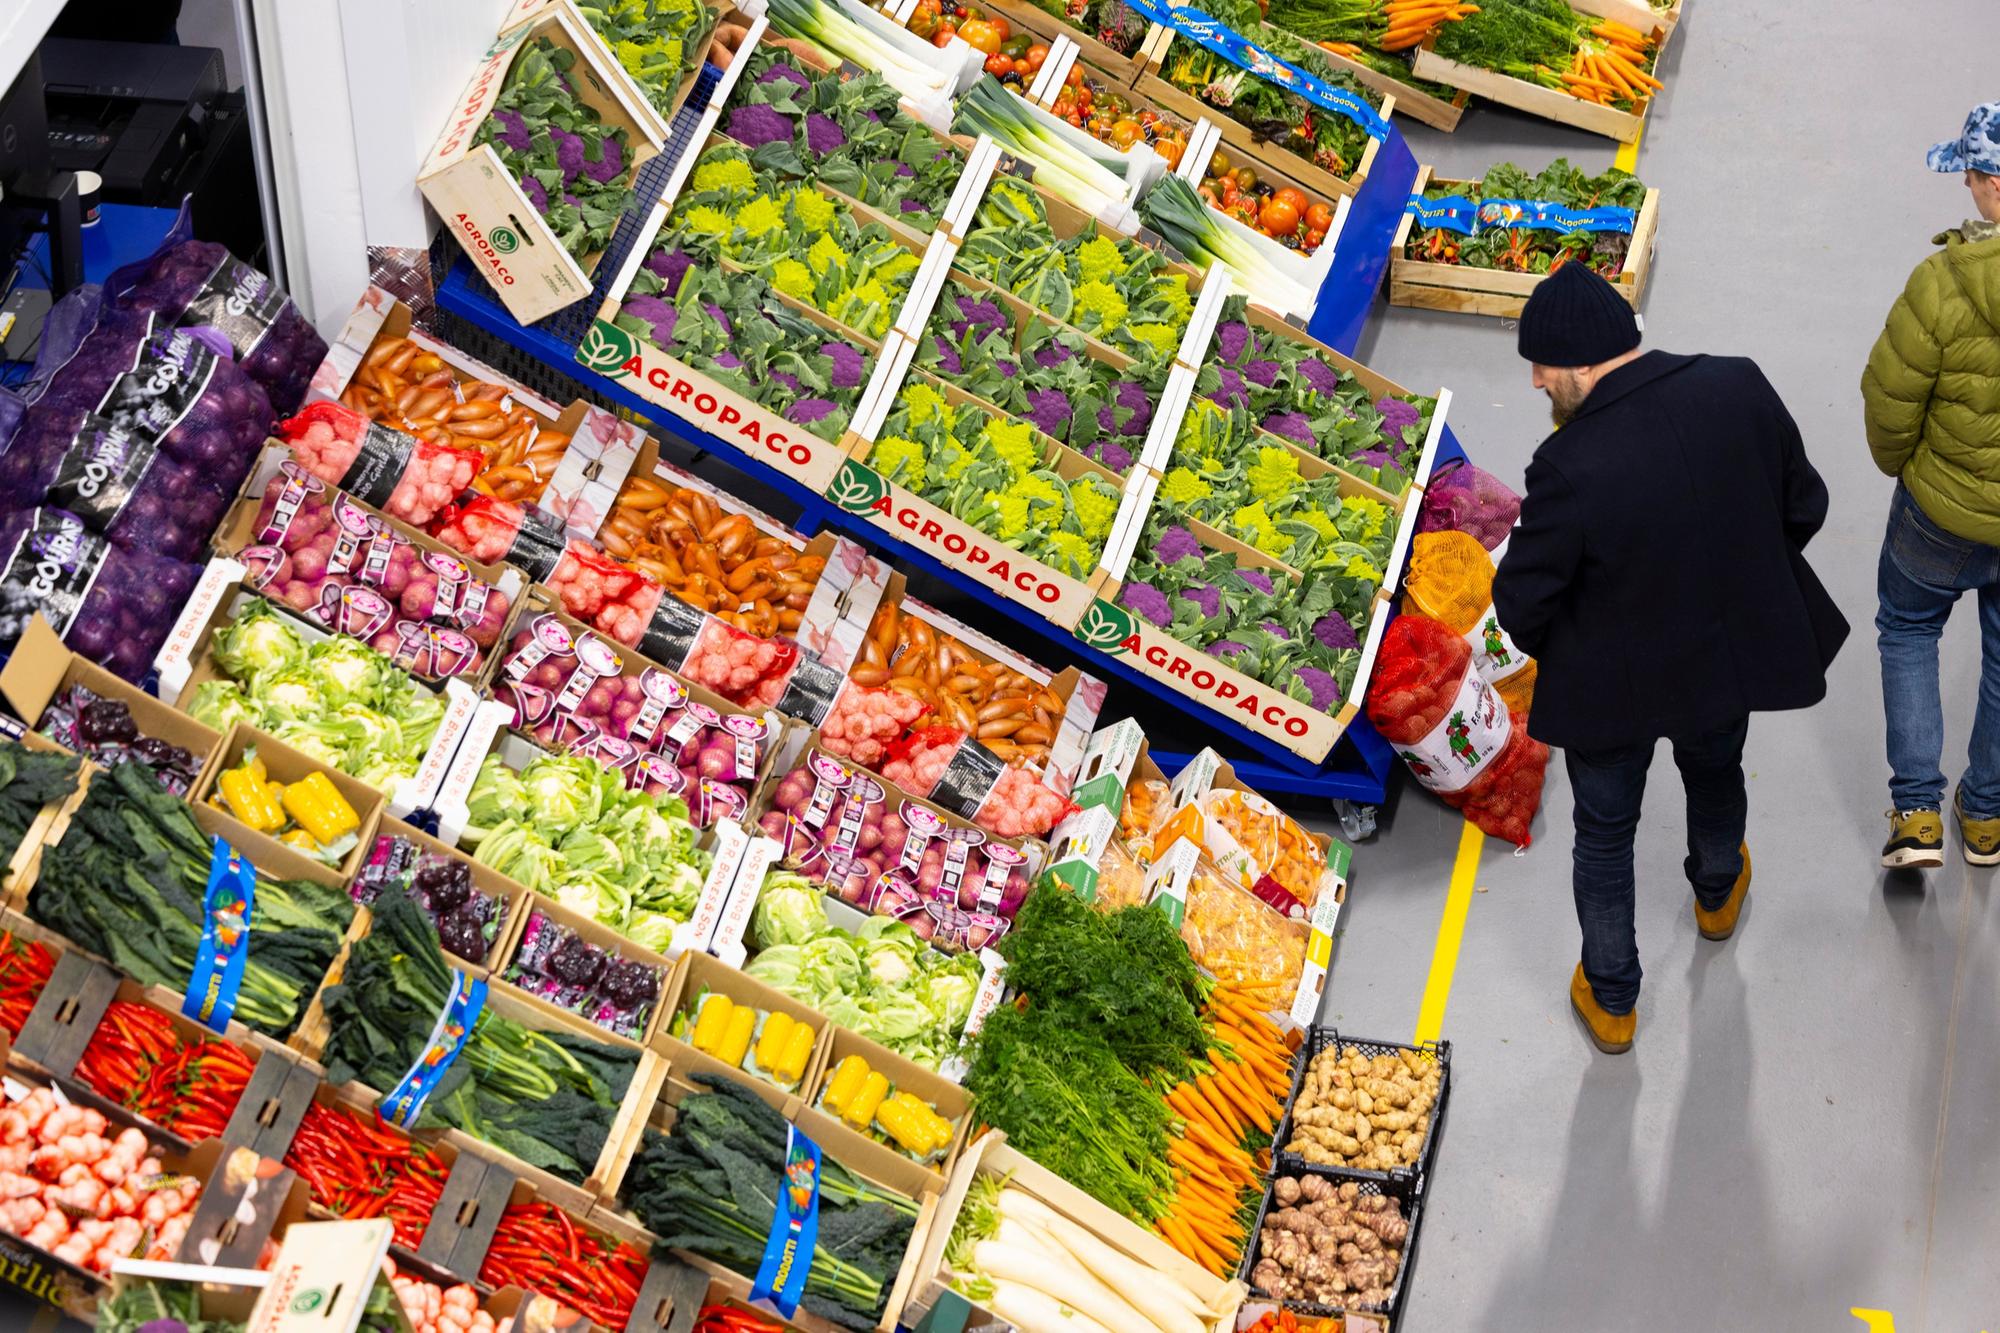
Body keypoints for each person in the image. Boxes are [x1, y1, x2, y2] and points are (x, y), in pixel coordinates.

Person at [1492, 264, 1849, 1055]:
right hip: (1722, 663)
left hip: (1609, 693)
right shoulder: (1739, 386)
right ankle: (1717, 891)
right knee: (1716, 768)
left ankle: (1614, 998)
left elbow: (1520, 610)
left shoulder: (1568, 466)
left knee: (1606, 832)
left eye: (1543, 364)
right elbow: (1806, 504)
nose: (1535, 380)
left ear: (1583, 362)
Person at [1860, 101, 2000, 872]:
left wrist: (1905, 470)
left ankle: (1917, 815)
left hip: (1939, 516)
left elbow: (1890, 399)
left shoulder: (1940, 283)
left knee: (1910, 632)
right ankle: (1985, 817)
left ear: (1982, 181)